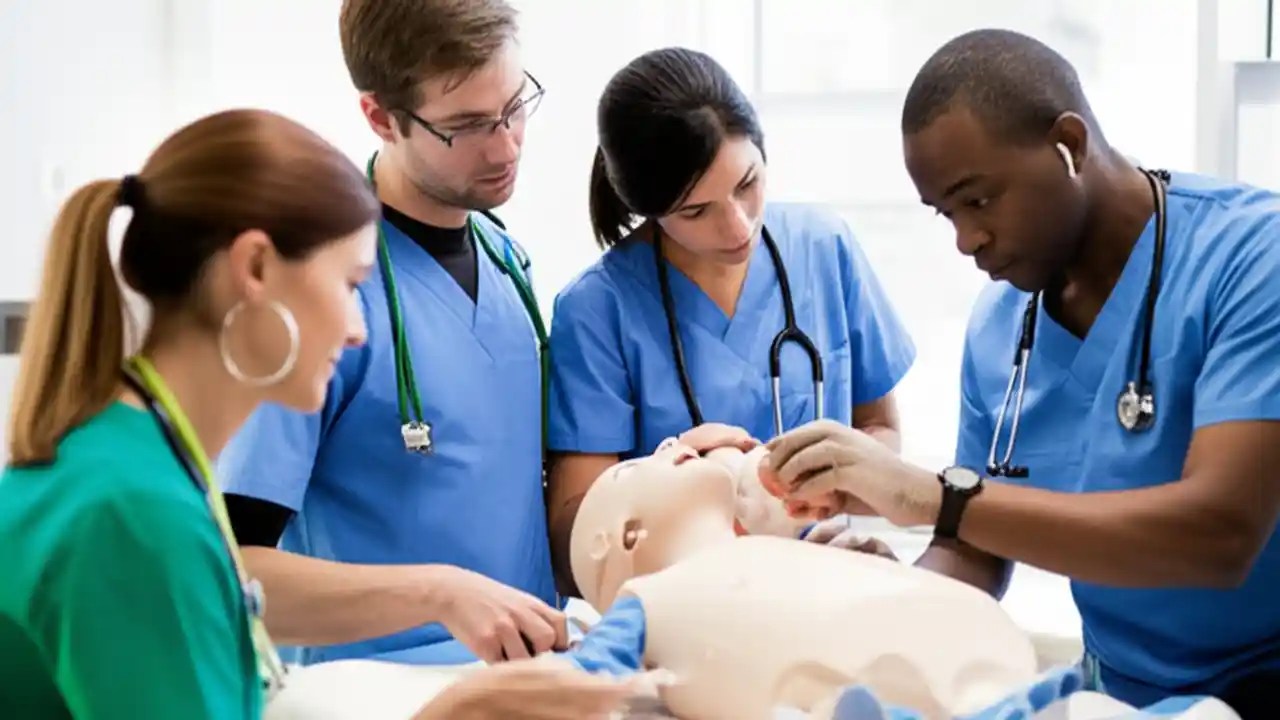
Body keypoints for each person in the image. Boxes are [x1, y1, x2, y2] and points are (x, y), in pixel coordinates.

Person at [0, 108, 634, 720]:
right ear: (254, 268)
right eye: (350, 284)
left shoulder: (139, 460)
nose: (359, 329)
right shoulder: (132, 511)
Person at [760, 28, 1280, 718]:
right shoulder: (1000, 328)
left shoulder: (1250, 257)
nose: (966, 240)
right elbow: (973, 551)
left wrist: (930, 494)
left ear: (1068, 144)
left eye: (978, 200)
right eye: (946, 213)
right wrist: (891, 596)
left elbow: (1219, 537)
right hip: (1112, 690)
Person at [217, 0, 561, 667]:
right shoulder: (319, 293)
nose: (507, 145)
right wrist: (437, 594)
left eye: (515, 107)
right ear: (380, 116)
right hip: (378, 695)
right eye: (467, 126)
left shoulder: (507, 261)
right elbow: (235, 576)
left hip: (536, 682)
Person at [545, 47, 916, 593]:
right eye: (695, 212)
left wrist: (833, 492)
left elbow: (880, 429)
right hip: (688, 613)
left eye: (748, 183)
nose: (737, 225)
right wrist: (678, 477)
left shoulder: (823, 247)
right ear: (648, 207)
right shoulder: (599, 308)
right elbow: (571, 540)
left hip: (827, 586)